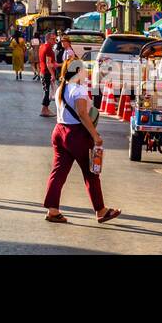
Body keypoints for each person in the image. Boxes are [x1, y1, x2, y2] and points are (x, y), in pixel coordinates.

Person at [44, 56, 120, 224]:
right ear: (78, 71)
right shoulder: (78, 90)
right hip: (77, 134)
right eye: (84, 69)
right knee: (91, 173)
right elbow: (82, 114)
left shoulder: (61, 89)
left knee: (58, 172)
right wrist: (95, 135)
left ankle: (52, 210)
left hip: (59, 131)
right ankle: (101, 210)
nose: (86, 72)